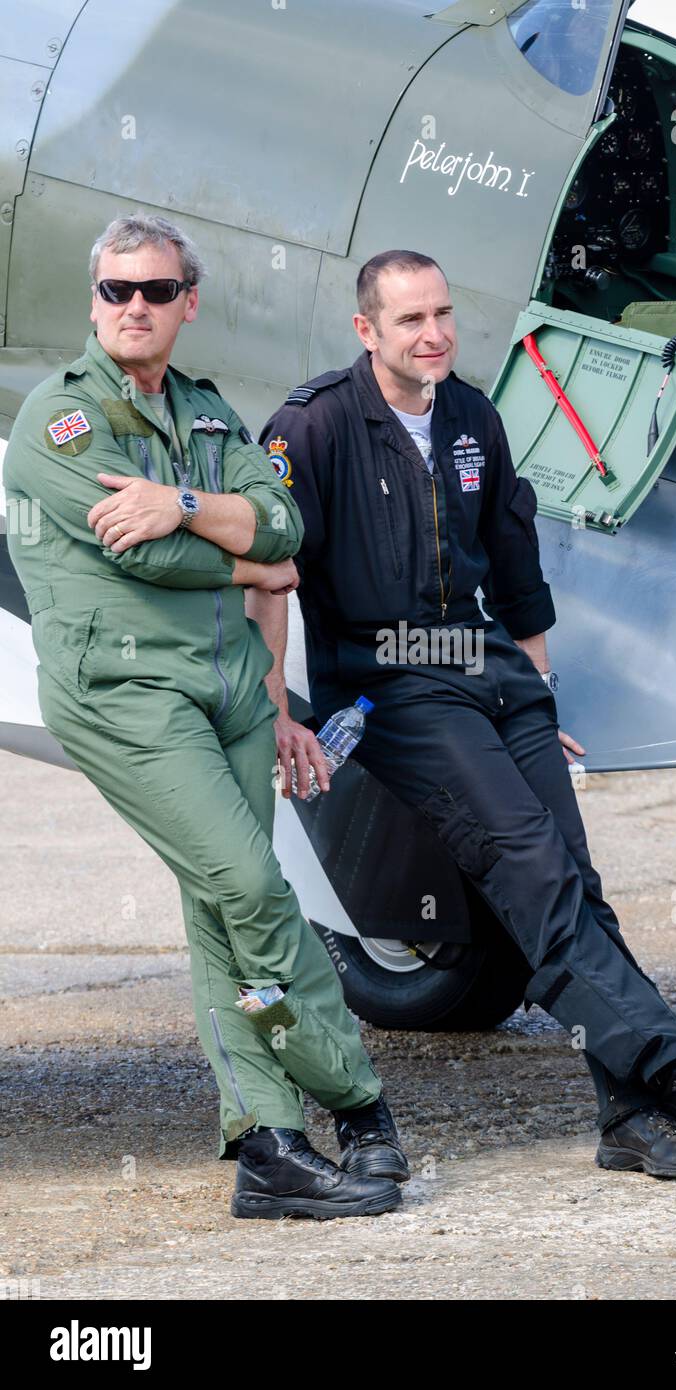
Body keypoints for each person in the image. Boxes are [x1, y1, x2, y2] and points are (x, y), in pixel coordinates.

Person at [259, 249, 676, 1181]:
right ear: (366, 331)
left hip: (491, 669)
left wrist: (534, 691)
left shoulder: (471, 415)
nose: (434, 334)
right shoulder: (314, 425)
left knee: (573, 875)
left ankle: (626, 1120)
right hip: (390, 683)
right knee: (529, 863)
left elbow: (513, 553)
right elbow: (266, 566)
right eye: (410, 320)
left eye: (443, 313)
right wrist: (271, 708)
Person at [3, 215, 409, 1221]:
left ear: (187, 301)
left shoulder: (211, 411)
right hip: (127, 694)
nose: (132, 308)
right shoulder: (57, 424)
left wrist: (182, 507)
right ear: (93, 300)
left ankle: (268, 1145)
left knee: (218, 918)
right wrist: (237, 549)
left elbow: (285, 526)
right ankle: (357, 1101)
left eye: (153, 290)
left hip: (229, 686)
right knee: (251, 888)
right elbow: (138, 554)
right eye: (114, 292)